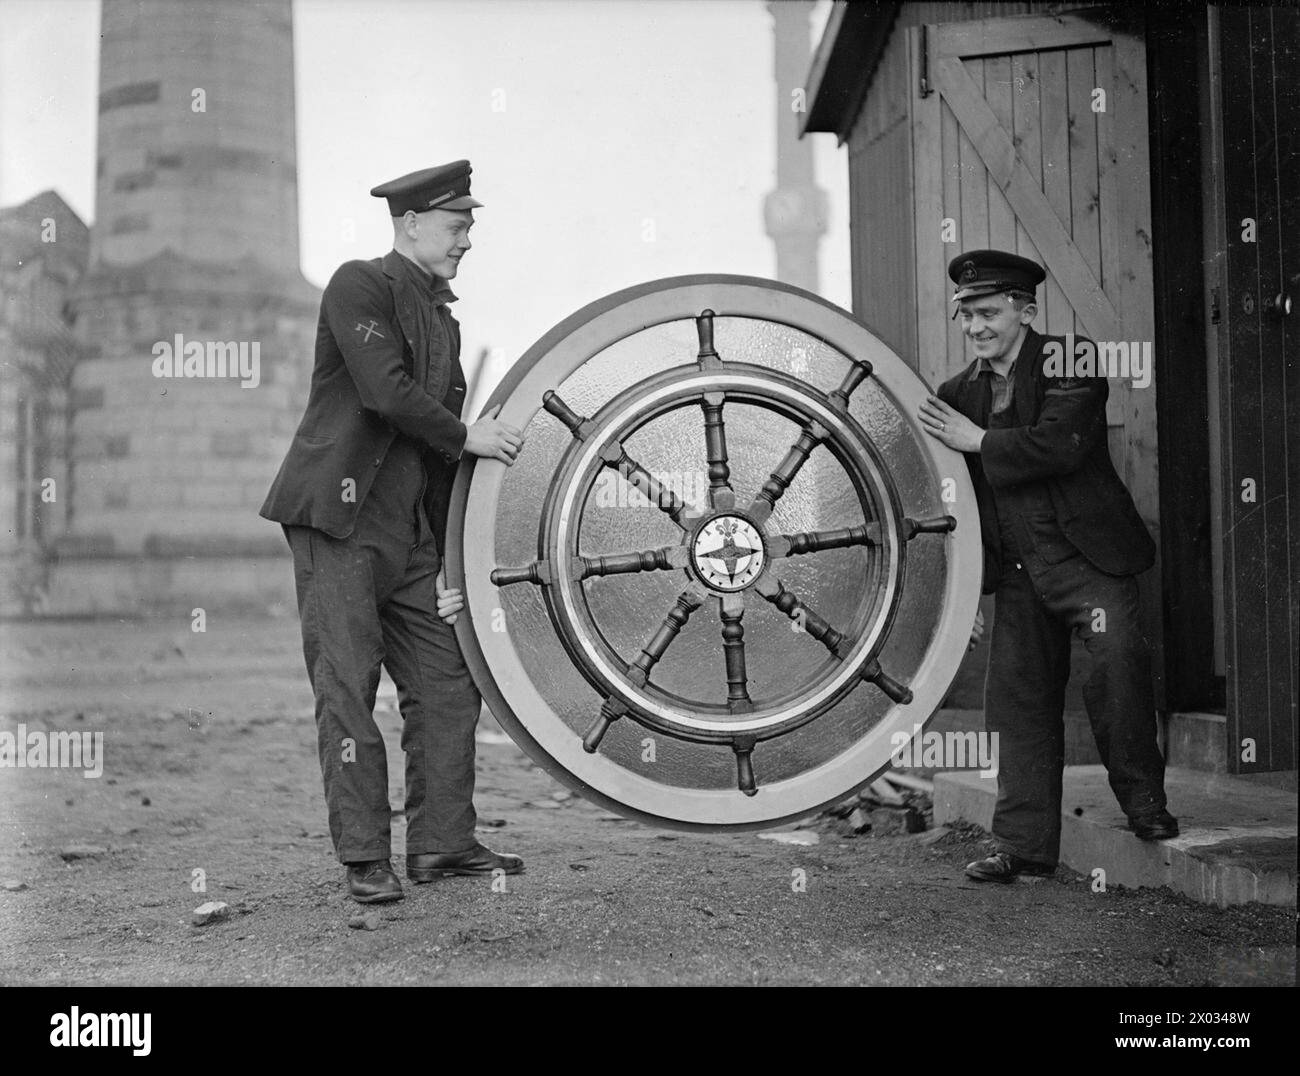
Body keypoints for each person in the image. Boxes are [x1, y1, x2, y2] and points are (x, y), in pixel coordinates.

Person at [260, 160, 526, 903]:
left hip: (409, 538)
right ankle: (365, 857)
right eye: (457, 224)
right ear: (411, 224)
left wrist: (450, 563)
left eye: (470, 225)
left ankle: (442, 844)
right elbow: (383, 392)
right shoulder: (358, 284)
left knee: (448, 681)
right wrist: (468, 432)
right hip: (337, 524)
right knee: (348, 688)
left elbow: (441, 461)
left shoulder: (445, 320)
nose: (467, 239)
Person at [918, 249, 1177, 884]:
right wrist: (965, 593)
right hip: (1017, 573)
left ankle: (1146, 806)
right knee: (1017, 706)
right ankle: (1023, 847)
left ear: (1026, 311)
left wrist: (977, 441)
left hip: (1090, 564)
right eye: (967, 316)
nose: (975, 327)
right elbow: (959, 504)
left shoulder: (1073, 360)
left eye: (989, 313)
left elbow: (1062, 446)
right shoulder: (955, 396)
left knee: (1118, 675)